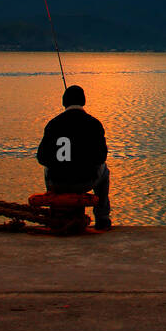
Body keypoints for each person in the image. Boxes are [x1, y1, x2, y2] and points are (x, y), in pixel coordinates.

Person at [37, 84, 111, 229]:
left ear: (64, 102)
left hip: (57, 182)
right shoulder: (94, 124)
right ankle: (102, 218)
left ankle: (55, 212)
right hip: (85, 182)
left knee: (47, 169)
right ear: (83, 101)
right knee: (105, 171)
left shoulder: (53, 124)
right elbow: (101, 157)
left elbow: (42, 157)